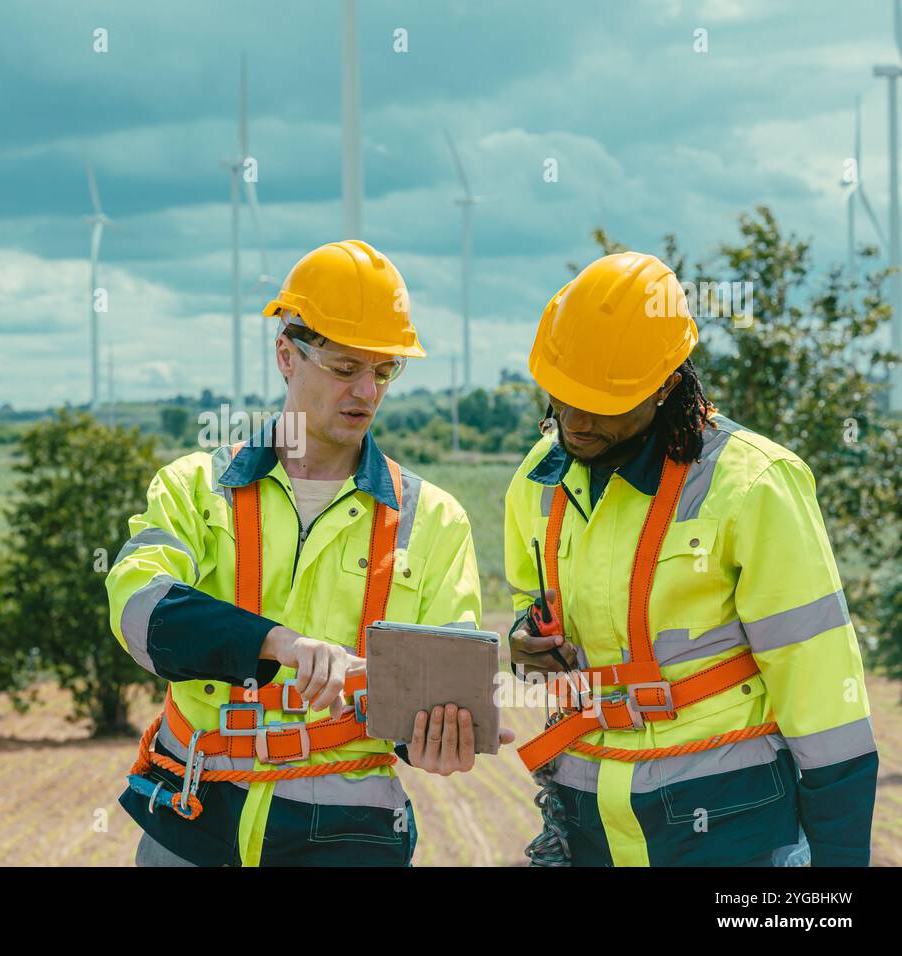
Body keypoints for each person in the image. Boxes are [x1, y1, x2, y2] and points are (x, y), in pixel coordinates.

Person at [107, 239, 512, 867]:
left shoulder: (434, 520)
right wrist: (280, 645)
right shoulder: (193, 488)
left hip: (348, 837)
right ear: (286, 356)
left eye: (383, 371)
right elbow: (139, 611)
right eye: (345, 367)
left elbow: (437, 689)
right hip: (193, 822)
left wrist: (440, 737)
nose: (366, 392)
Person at [505, 251, 877, 867]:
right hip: (586, 812)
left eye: (603, 401)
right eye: (563, 394)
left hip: (729, 816)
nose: (573, 420)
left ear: (667, 387)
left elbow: (823, 693)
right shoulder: (536, 482)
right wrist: (525, 644)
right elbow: (532, 608)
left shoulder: (754, 482)